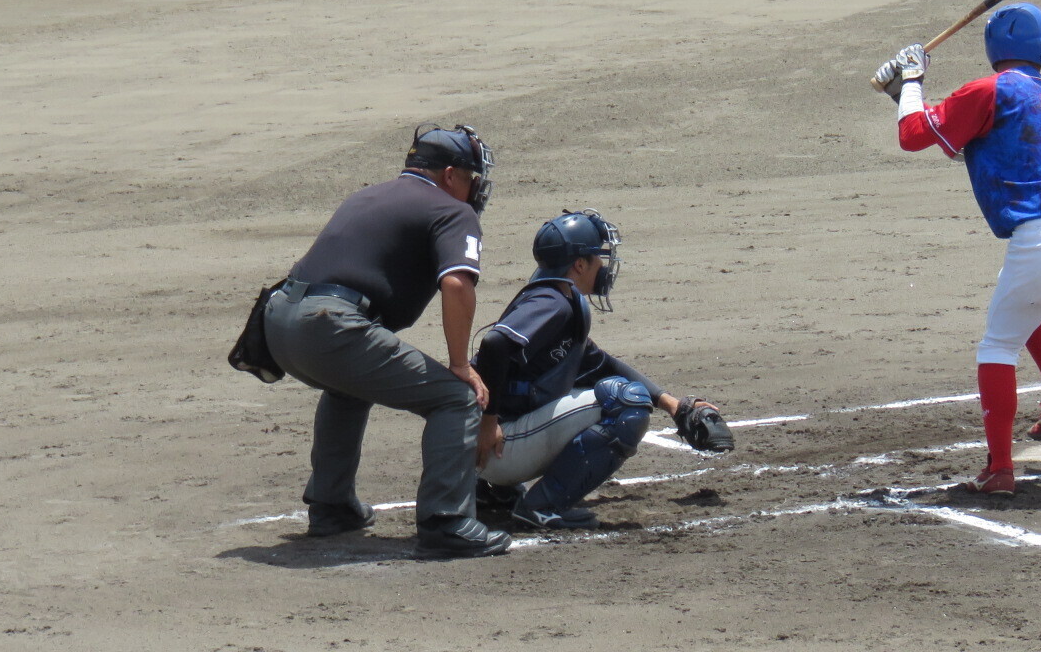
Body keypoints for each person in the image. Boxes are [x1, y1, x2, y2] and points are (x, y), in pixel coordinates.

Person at [873, 4, 1041, 497]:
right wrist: (904, 91)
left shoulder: (987, 90)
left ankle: (999, 471)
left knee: (997, 345)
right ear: (1036, 48)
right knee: (1030, 301)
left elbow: (913, 136)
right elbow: (948, 128)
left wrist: (910, 81)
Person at [258, 124, 511, 559]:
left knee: (349, 387)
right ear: (450, 175)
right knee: (456, 398)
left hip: (279, 321)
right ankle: (447, 523)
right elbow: (456, 285)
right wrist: (459, 365)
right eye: (470, 178)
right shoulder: (452, 210)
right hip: (328, 323)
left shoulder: (367, 195)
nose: (474, 189)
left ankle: (332, 506)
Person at [471, 209, 734, 530]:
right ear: (579, 265)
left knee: (603, 388)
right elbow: (495, 345)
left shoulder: (561, 298)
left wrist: (674, 406)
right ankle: (542, 507)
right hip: (492, 445)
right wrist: (488, 423)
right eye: (598, 257)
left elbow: (599, 364)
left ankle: (493, 492)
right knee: (628, 402)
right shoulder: (551, 302)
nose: (604, 266)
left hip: (480, 447)